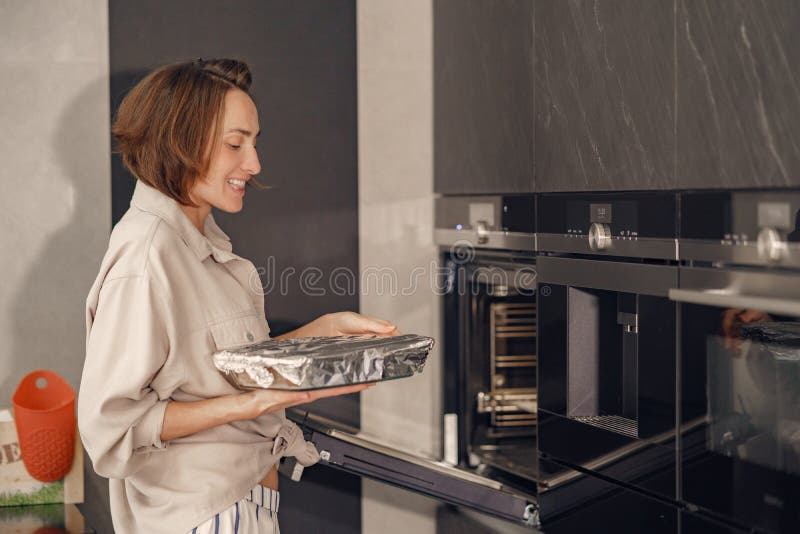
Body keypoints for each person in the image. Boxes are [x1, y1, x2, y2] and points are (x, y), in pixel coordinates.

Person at [78, 58, 397, 534]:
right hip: (205, 517)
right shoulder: (147, 260)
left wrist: (320, 333)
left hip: (241, 506)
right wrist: (252, 404)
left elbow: (218, 367)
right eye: (235, 144)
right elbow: (112, 428)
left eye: (253, 142)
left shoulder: (198, 244)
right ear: (179, 143)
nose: (254, 164)